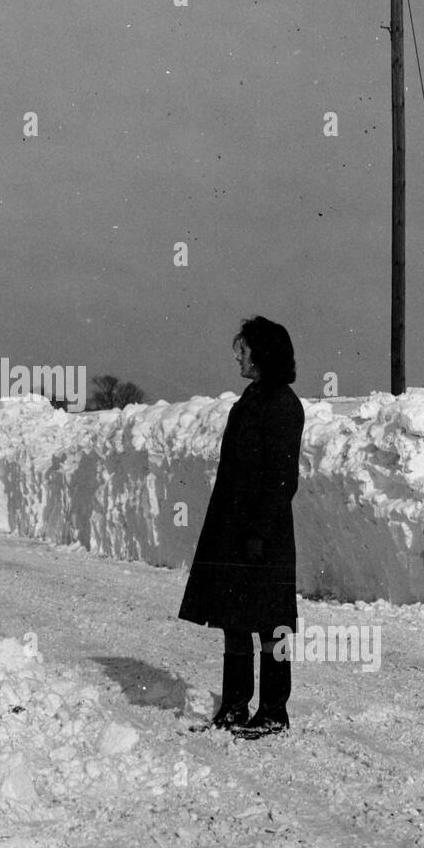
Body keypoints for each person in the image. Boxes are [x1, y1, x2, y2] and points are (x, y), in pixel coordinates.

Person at [179, 316, 305, 739]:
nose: (238, 355)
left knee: (272, 624)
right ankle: (234, 707)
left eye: (244, 348)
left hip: (263, 535)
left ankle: (273, 711)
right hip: (233, 529)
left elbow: (283, 480)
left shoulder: (284, 405)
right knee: (234, 619)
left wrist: (258, 533)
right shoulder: (250, 400)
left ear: (263, 353)